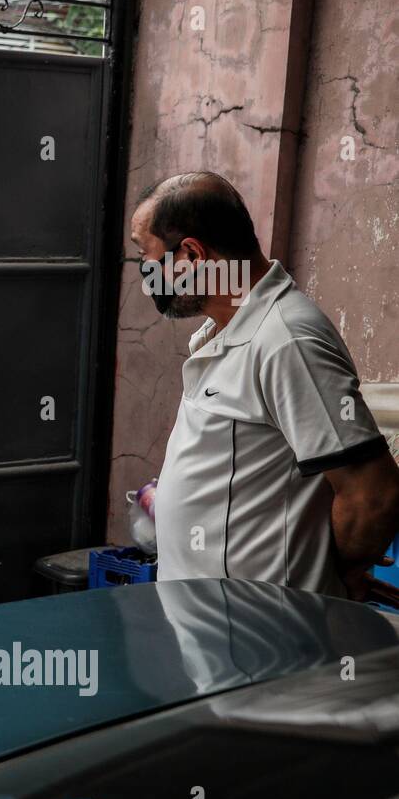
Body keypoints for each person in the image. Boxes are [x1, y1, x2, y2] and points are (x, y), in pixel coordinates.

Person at [132, 172, 399, 602]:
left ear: (191, 256)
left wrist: (341, 574)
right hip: (211, 632)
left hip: (261, 639)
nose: (145, 275)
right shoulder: (225, 330)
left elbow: (374, 493)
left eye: (146, 257)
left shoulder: (284, 340)